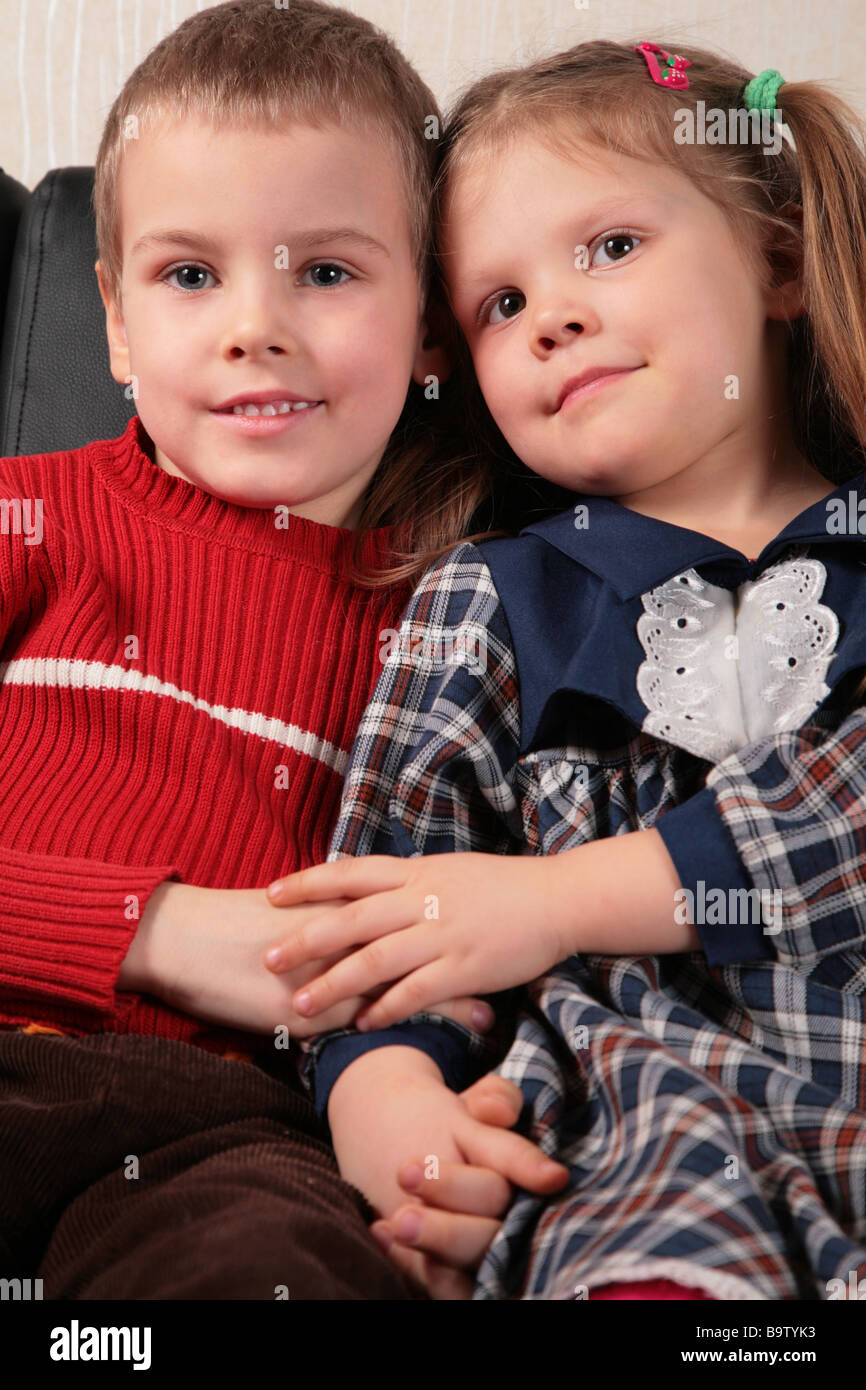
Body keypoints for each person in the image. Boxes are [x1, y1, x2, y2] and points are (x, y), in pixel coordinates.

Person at [263, 39, 866, 1300]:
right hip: (639, 1133)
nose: (550, 316)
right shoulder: (486, 601)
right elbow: (389, 910)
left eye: (610, 246)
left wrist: (554, 900)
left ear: (774, 261)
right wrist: (388, 1111)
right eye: (499, 304)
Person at [0, 0, 570, 1301]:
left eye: (324, 271)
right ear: (115, 321)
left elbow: (461, 930)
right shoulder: (30, 516)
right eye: (189, 275)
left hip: (217, 1131)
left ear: (429, 326)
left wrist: (421, 1122)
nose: (253, 324)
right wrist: (150, 931)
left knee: (270, 1264)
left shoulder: (471, 615)